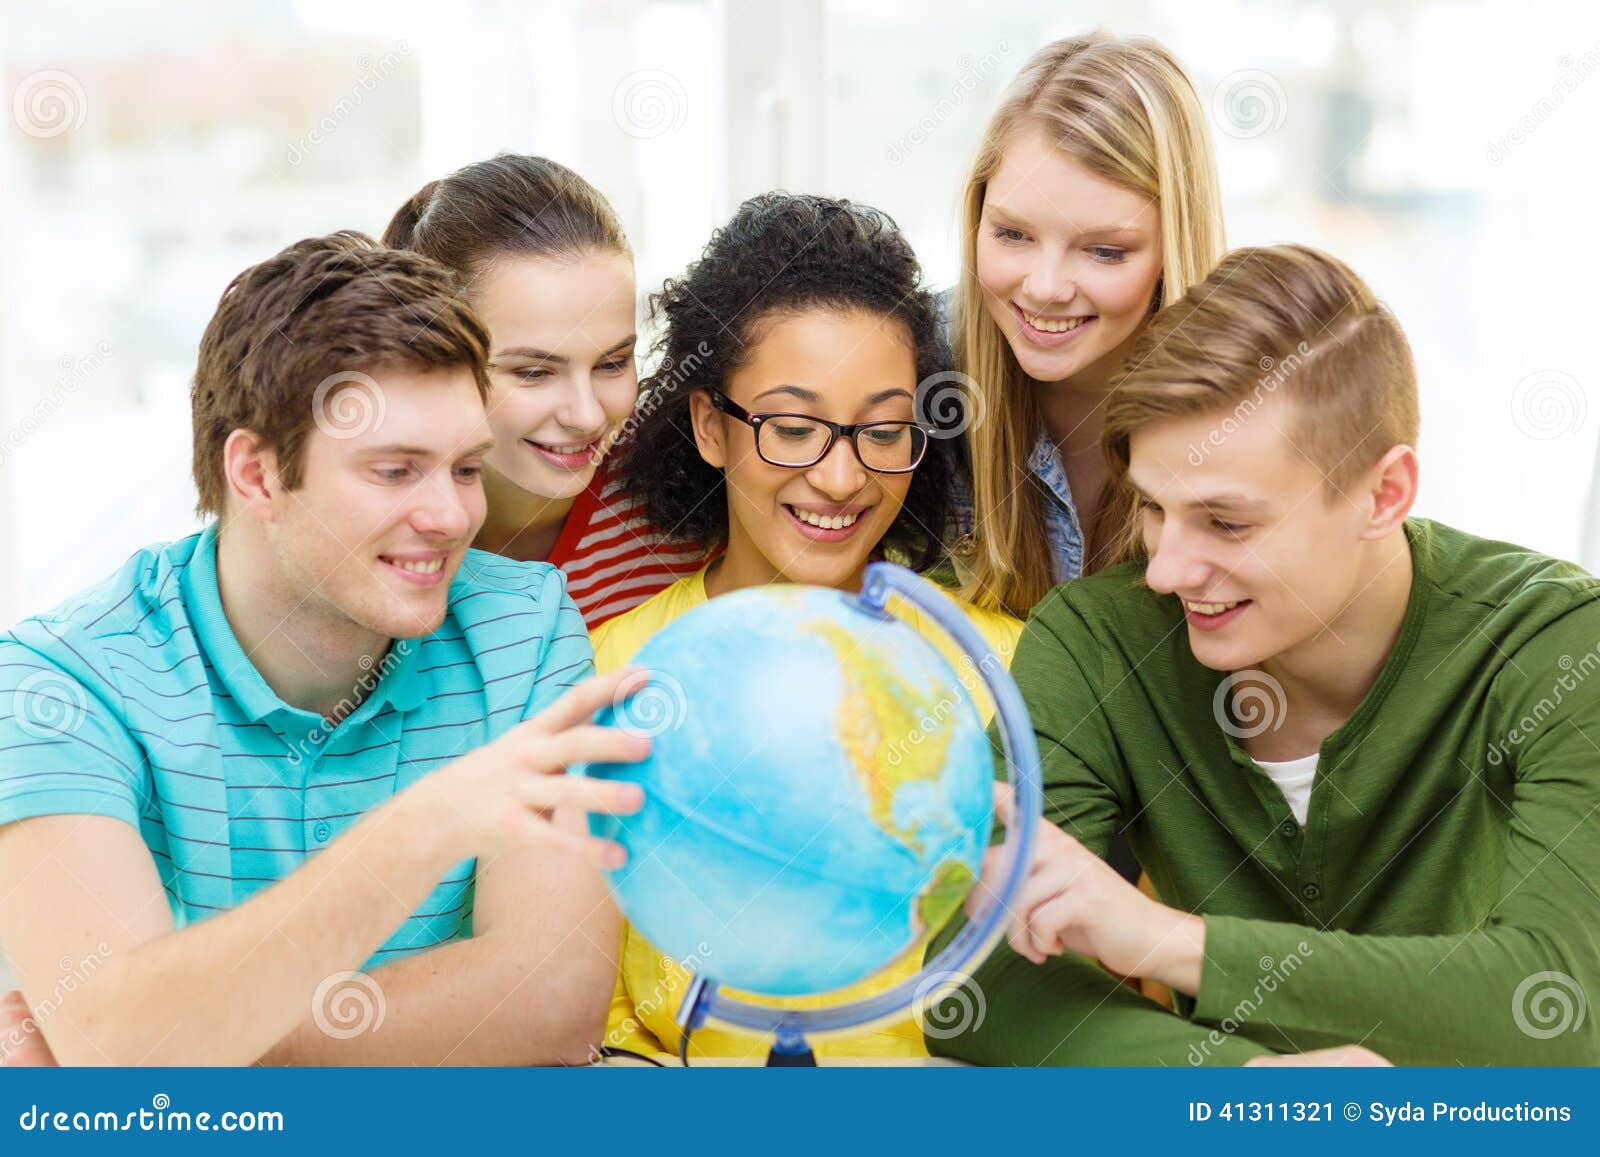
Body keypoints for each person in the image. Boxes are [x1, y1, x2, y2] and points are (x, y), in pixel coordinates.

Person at [927, 244, 1600, 1066]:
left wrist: (1167, 941)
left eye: (1228, 523)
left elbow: (1563, 998)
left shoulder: (1561, 644)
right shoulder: (1095, 642)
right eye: (1153, 508)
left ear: (1384, 494)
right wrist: (1249, 1088)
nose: (1168, 571)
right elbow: (976, 983)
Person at [0, 233, 652, 1067]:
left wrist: (188, 1041)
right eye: (395, 470)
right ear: (257, 474)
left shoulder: (522, 626)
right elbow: (122, 1041)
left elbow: (553, 1003)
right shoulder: (59, 683)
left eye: (463, 468)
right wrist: (426, 826)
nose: (452, 518)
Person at [596, 194, 1023, 1062]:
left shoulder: (1007, 672)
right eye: (792, 428)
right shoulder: (609, 674)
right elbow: (589, 1018)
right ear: (712, 426)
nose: (840, 477)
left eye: (882, 430)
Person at [951, 32, 1227, 614]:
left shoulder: (1256, 404)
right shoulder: (906, 368)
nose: (1046, 288)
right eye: (1012, 234)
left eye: (1104, 252)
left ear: (1172, 252)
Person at [383, 154, 705, 628]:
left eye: (613, 363)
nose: (588, 416)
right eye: (534, 373)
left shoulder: (689, 501)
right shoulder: (373, 527)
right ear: (430, 358)